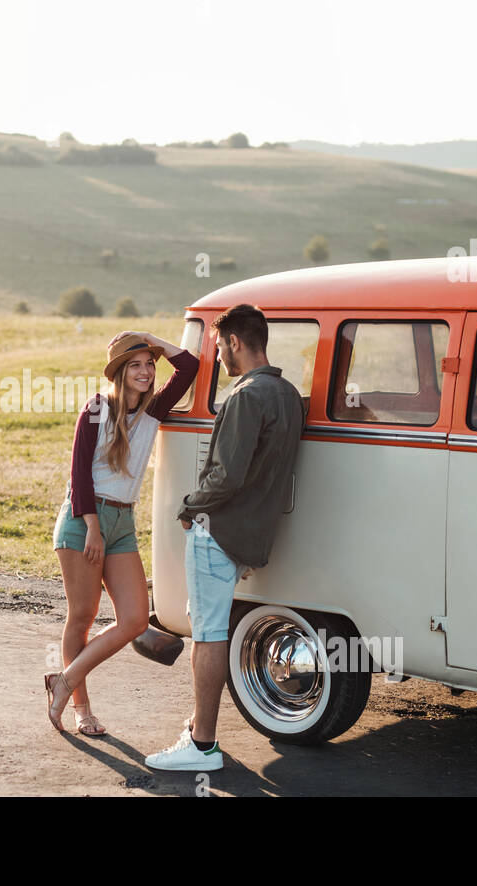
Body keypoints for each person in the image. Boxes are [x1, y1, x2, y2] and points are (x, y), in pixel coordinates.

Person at [145, 304, 302, 771]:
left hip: (218, 532)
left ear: (234, 341)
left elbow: (227, 475)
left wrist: (189, 506)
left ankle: (203, 746)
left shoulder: (245, 396)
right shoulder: (289, 394)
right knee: (211, 629)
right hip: (252, 535)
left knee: (208, 636)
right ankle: (198, 731)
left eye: (220, 346)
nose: (219, 356)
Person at [45, 330, 199, 735]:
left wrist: (149, 340)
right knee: (82, 616)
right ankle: (81, 709)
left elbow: (189, 367)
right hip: (84, 520)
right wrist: (93, 528)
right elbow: (78, 475)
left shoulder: (153, 411)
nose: (146, 371)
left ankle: (62, 680)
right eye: (136, 365)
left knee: (133, 619)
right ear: (119, 372)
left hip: (123, 524)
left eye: (149, 364)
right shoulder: (96, 407)